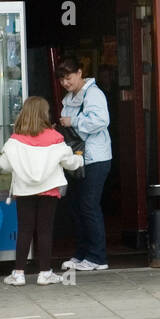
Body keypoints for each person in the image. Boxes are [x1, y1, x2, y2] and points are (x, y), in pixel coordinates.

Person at [0, 96, 83, 286]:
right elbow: (70, 163)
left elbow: (4, 164)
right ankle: (45, 273)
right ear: (45, 114)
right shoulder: (55, 138)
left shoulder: (14, 140)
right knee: (45, 230)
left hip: (24, 191)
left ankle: (18, 273)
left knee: (24, 230)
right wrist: (80, 159)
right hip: (49, 191)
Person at [57, 58, 112, 272]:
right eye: (62, 78)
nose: (65, 82)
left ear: (80, 73)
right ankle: (81, 254)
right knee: (77, 207)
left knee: (88, 206)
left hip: (95, 159)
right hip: (77, 159)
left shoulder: (94, 94)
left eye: (68, 77)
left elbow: (100, 121)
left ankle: (98, 257)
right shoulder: (70, 97)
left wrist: (73, 122)